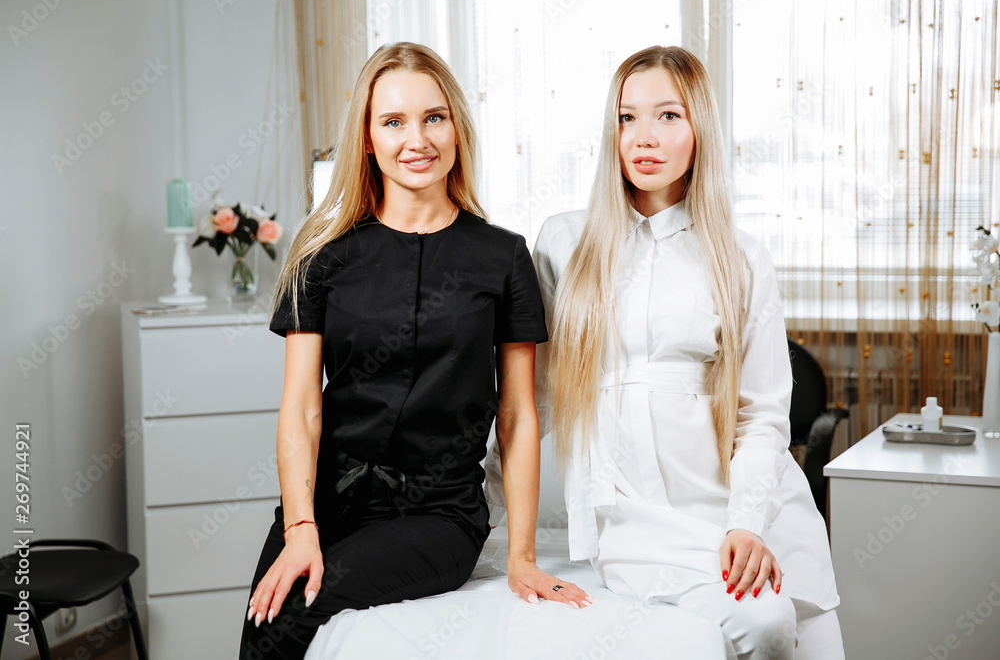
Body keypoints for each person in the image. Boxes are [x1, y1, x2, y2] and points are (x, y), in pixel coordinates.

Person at [487, 45, 843, 659]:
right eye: (627, 118)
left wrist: (747, 523)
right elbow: (530, 401)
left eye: (668, 116)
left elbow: (762, 414)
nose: (643, 136)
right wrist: (473, 509)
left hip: (754, 512)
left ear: (700, 128)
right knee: (763, 622)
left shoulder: (741, 255)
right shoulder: (564, 242)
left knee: (814, 643)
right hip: (641, 523)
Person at [240, 42, 588, 660]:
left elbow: (517, 415)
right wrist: (301, 528)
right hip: (328, 501)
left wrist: (522, 556)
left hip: (438, 514)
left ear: (456, 127)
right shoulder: (321, 254)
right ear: (367, 140)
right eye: (394, 121)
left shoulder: (503, 257)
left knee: (293, 616)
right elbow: (301, 409)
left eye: (434, 118)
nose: (417, 140)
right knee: (261, 630)